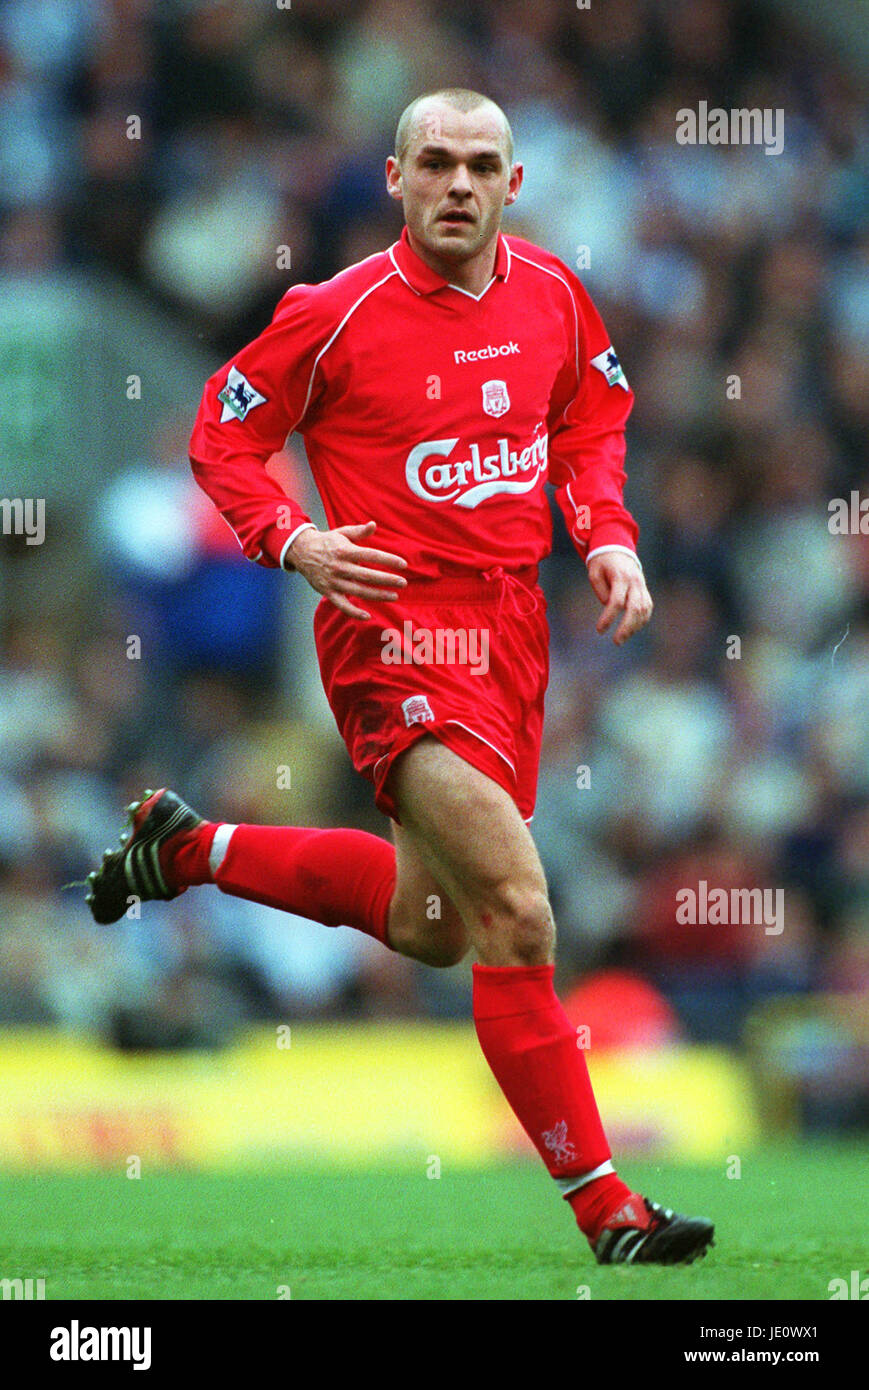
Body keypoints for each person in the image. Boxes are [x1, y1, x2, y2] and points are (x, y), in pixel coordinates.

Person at [86, 88, 714, 1266]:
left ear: (513, 186)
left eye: (482, 164)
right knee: (518, 912)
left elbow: (589, 420)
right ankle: (606, 1210)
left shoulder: (553, 297)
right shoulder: (332, 313)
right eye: (436, 163)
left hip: (511, 632)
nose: (459, 184)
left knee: (431, 925)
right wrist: (295, 540)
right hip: (391, 634)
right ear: (394, 177)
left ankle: (189, 850)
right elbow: (224, 436)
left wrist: (609, 533)